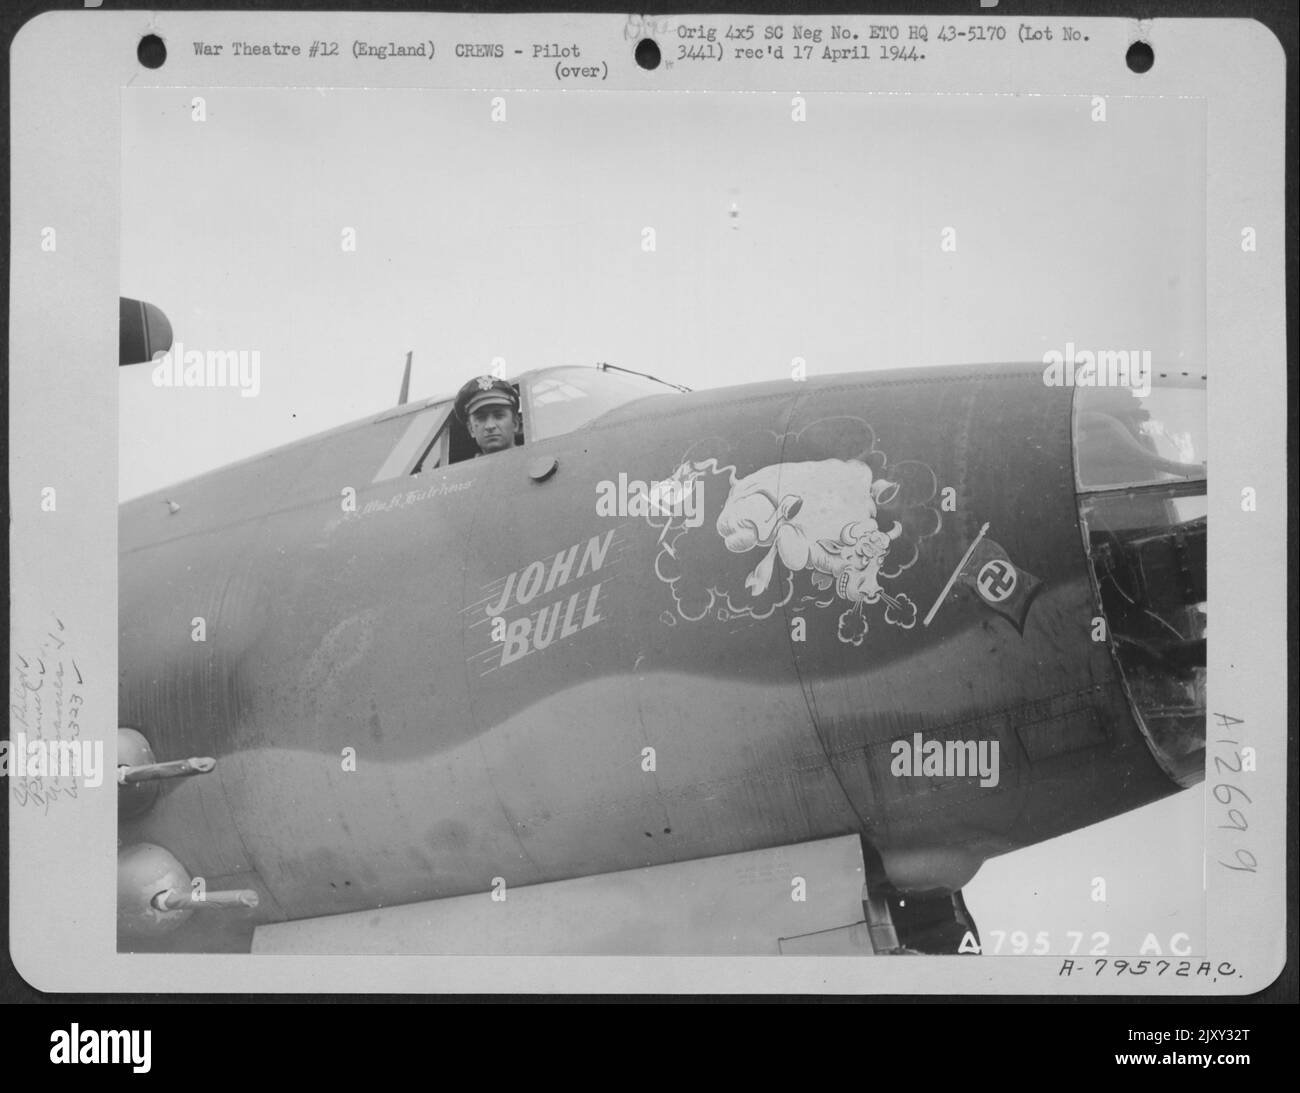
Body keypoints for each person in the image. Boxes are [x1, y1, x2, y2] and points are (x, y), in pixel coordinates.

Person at [454, 375, 522, 457]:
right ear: (471, 429)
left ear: (515, 423)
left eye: (499, 416)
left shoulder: (538, 462)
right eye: (481, 418)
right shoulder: (466, 469)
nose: (490, 426)